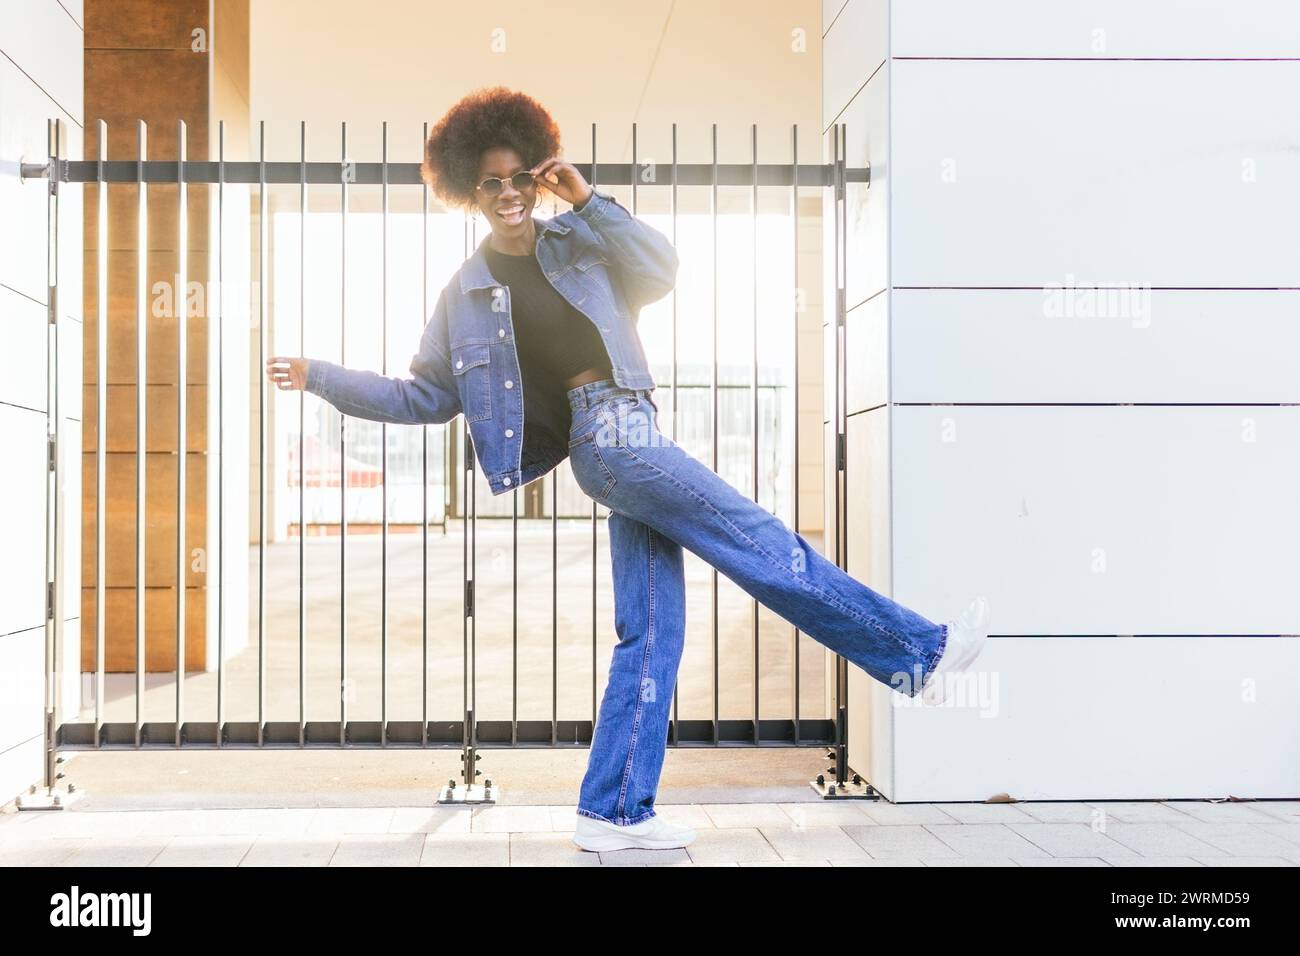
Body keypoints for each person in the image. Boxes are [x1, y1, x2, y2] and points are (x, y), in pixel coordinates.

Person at [267, 86, 990, 853]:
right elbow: (420, 396)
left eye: (520, 177)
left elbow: (662, 266)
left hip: (633, 431)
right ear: (467, 193)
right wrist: (321, 375)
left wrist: (584, 196)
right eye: (491, 183)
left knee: (650, 633)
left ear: (535, 176)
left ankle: (613, 810)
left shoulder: (579, 242)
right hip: (609, 443)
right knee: (765, 544)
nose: (509, 193)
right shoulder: (464, 297)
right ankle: (919, 654)